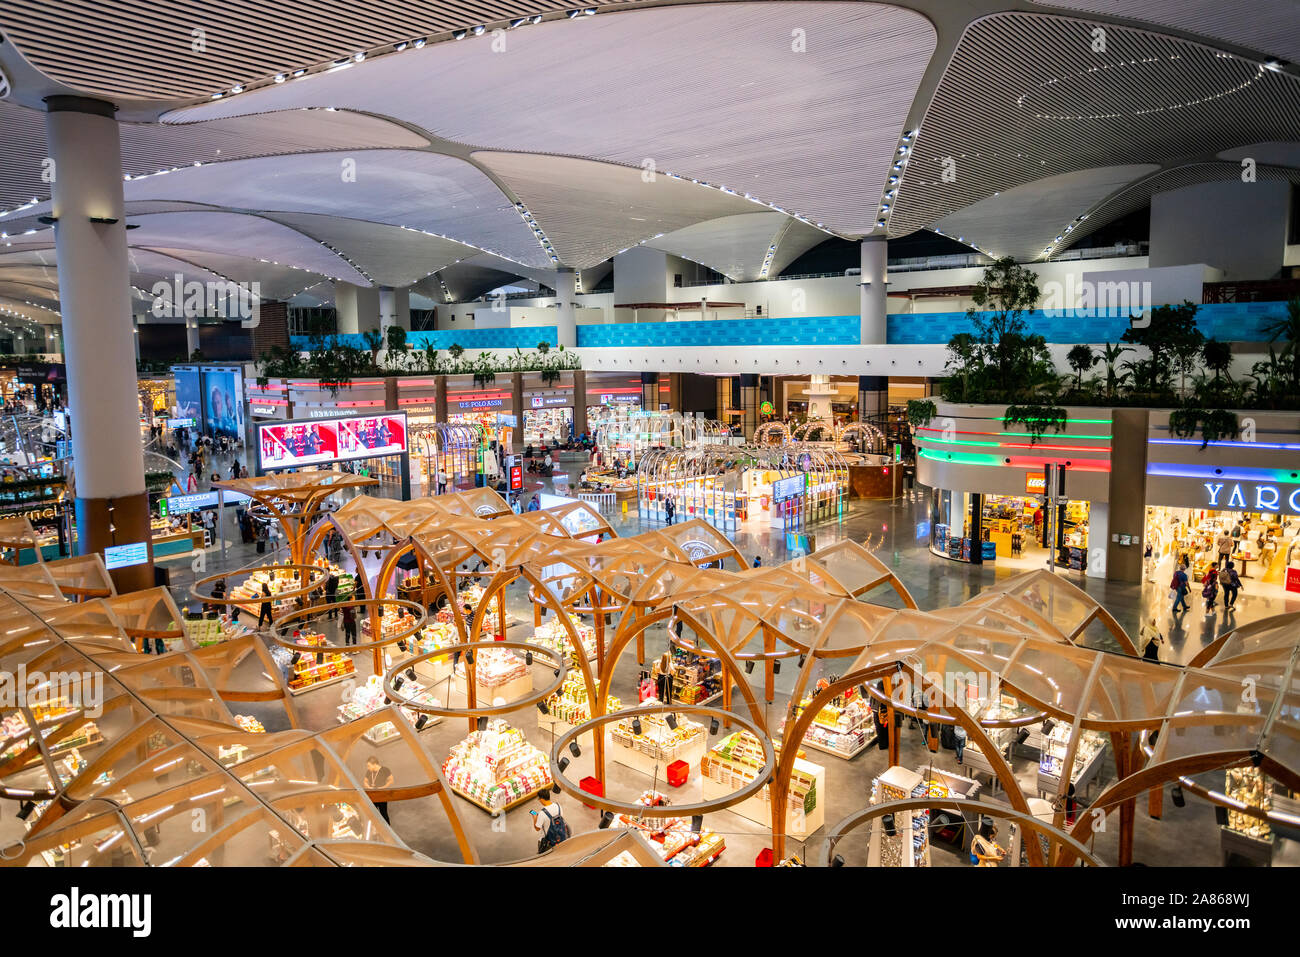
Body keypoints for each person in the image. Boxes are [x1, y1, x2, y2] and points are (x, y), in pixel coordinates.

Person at [364, 756, 395, 824]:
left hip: (382, 795)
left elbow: (391, 780)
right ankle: (375, 830)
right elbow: (365, 781)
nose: (368, 768)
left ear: (374, 764)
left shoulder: (385, 770)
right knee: (372, 814)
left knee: (383, 814)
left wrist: (383, 787)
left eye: (369, 766)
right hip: (372, 795)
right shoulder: (369, 771)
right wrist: (369, 787)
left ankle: (387, 831)